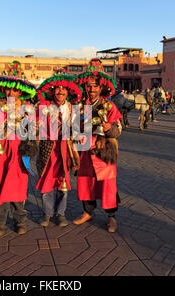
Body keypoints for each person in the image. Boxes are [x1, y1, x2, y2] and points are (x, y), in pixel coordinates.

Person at [0, 61, 37, 237]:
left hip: (19, 155)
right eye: (8, 89)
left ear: (20, 91)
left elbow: (34, 131)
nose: (11, 93)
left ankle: (20, 220)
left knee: (19, 188)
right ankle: (0, 222)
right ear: (4, 89)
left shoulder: (28, 109)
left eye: (14, 90)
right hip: (0, 154)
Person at [74, 58, 122, 233]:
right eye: (89, 85)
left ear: (101, 87)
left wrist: (110, 129)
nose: (92, 88)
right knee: (85, 181)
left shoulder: (109, 106)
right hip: (85, 151)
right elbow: (73, 128)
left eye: (95, 85)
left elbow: (119, 130)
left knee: (108, 185)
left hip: (104, 151)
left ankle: (111, 217)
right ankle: (87, 212)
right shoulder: (79, 106)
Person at [35, 68, 82, 227]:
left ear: (68, 92)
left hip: (66, 150)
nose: (60, 91)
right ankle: (47, 213)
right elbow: (35, 126)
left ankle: (60, 213)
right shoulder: (44, 106)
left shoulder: (74, 108)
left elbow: (79, 130)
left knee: (63, 181)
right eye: (57, 88)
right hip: (48, 149)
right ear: (52, 91)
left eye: (63, 88)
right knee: (47, 181)